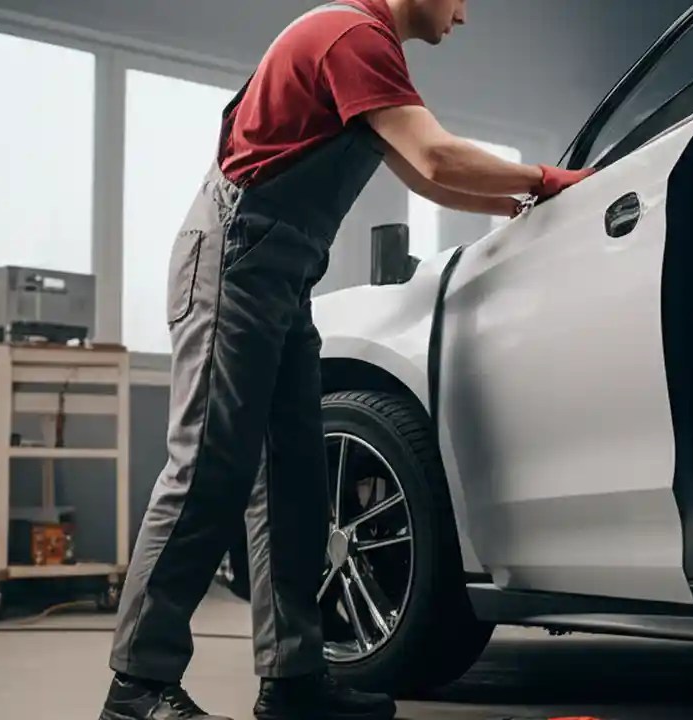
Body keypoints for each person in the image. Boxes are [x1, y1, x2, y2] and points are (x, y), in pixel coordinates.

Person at [99, 1, 594, 718]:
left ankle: (294, 681)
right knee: (211, 464)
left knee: (296, 478)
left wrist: (522, 208)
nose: (464, 13)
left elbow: (426, 178)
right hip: (236, 259)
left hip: (283, 271)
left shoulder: (367, 47)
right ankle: (137, 689)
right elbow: (436, 156)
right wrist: (546, 180)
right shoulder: (353, 35)